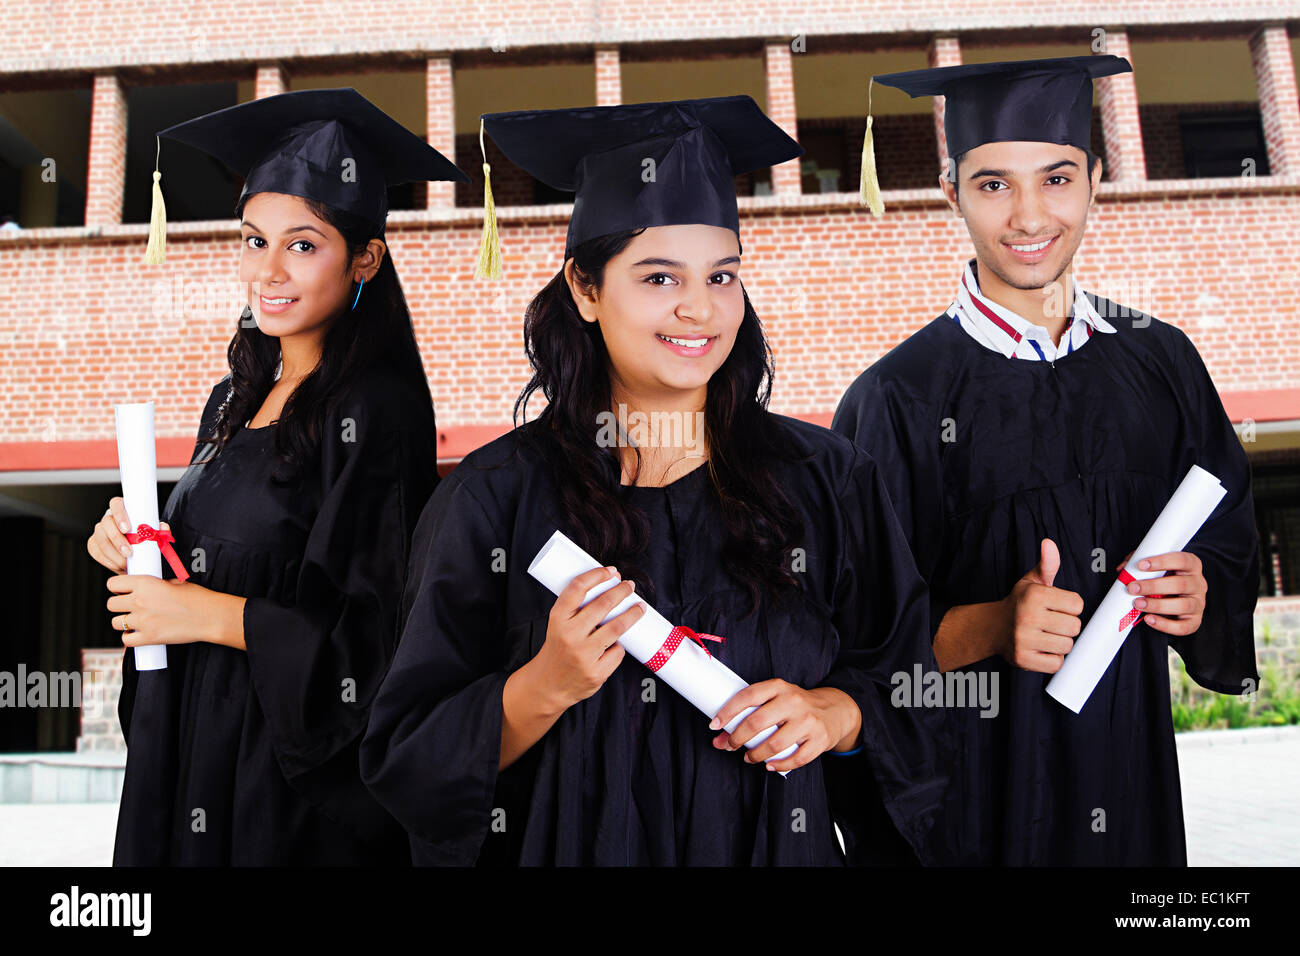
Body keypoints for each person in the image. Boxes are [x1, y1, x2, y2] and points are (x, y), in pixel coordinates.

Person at [359, 95, 963, 866]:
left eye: (722, 276)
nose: (699, 309)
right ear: (584, 290)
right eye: (658, 278)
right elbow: (408, 758)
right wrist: (546, 683)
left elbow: (910, 685)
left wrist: (836, 714)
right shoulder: (495, 498)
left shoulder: (827, 481)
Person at [834, 56, 1260, 865]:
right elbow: (856, 647)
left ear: (1095, 181)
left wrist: (1200, 591)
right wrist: (990, 626)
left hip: (1131, 785)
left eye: (1057, 179)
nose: (1029, 214)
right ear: (951, 192)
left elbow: (1231, 538)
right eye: (993, 184)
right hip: (976, 810)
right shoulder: (896, 399)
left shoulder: (1162, 362)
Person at [86, 88, 467, 865]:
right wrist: (135, 543)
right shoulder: (232, 400)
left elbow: (380, 637)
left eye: (303, 245)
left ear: (365, 259)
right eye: (255, 240)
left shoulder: (375, 412)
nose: (269, 270)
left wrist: (202, 616)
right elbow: (208, 565)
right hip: (189, 745)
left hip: (280, 788)